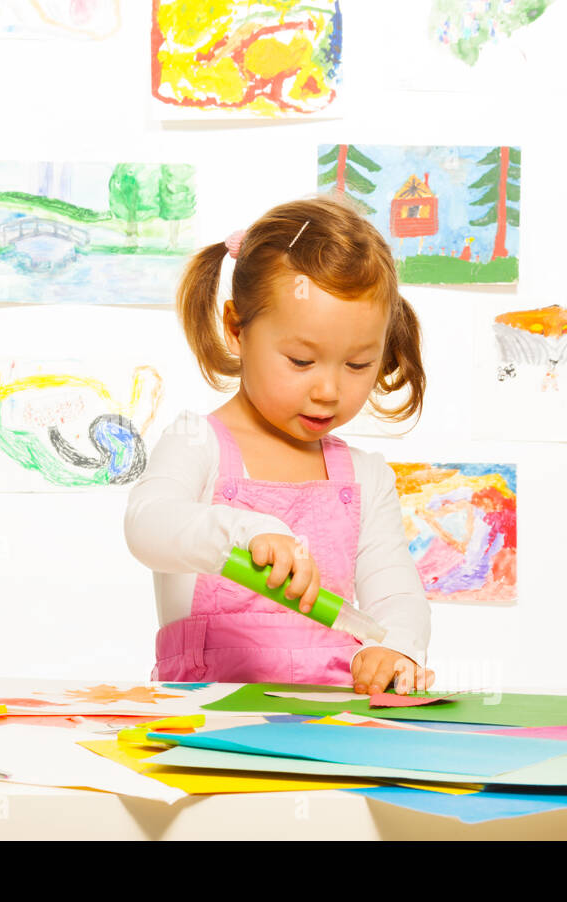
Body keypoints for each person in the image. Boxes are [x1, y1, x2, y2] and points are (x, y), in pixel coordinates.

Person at [124, 196, 432, 696]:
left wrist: (395, 647)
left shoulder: (364, 477)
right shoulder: (196, 442)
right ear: (237, 328)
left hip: (330, 725)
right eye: (300, 360)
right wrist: (244, 532)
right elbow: (147, 526)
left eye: (357, 365)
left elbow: (396, 592)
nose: (329, 390)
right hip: (204, 726)